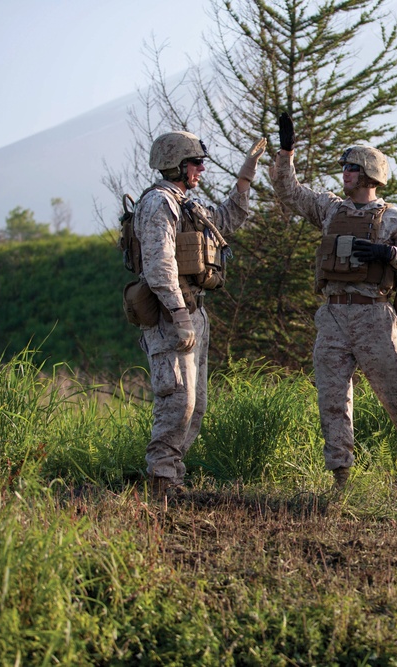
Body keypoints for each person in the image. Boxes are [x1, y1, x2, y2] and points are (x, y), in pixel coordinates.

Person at [268, 112, 397, 490]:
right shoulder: (332, 208)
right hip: (333, 314)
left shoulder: (395, 219)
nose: (344, 174)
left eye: (350, 168)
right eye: (345, 168)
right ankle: (342, 480)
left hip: (374, 317)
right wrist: (286, 153)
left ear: (368, 175)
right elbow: (290, 192)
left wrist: (389, 255)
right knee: (332, 401)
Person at [133, 130, 266, 505]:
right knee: (177, 401)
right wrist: (178, 314)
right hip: (170, 316)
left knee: (196, 404)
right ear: (176, 164)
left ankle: (171, 477)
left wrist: (247, 174)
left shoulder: (185, 204)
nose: (201, 169)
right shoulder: (160, 203)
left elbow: (226, 220)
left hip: (193, 311)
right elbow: (158, 264)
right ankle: (161, 480)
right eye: (195, 163)